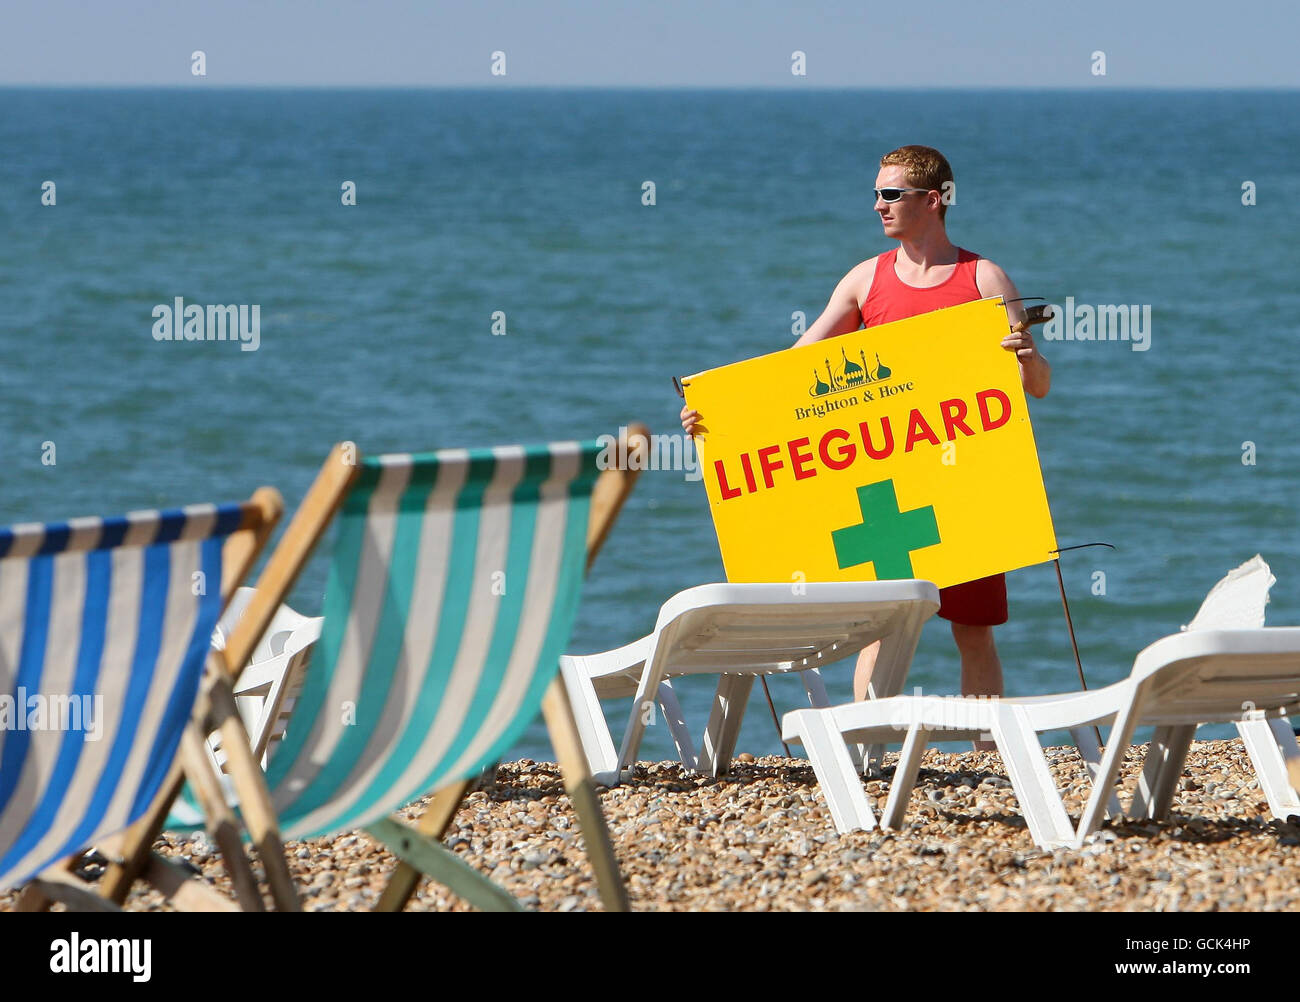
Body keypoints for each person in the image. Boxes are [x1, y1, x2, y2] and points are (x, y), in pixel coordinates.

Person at [681, 144, 1050, 716]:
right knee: (881, 626)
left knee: (973, 630)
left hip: (962, 486)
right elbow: (791, 373)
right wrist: (719, 417)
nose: (877, 205)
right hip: (886, 488)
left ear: (933, 200)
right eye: (876, 193)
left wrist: (1026, 357)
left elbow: (1040, 385)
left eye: (890, 194)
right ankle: (866, 747)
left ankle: (985, 749)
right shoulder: (864, 280)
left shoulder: (984, 277)